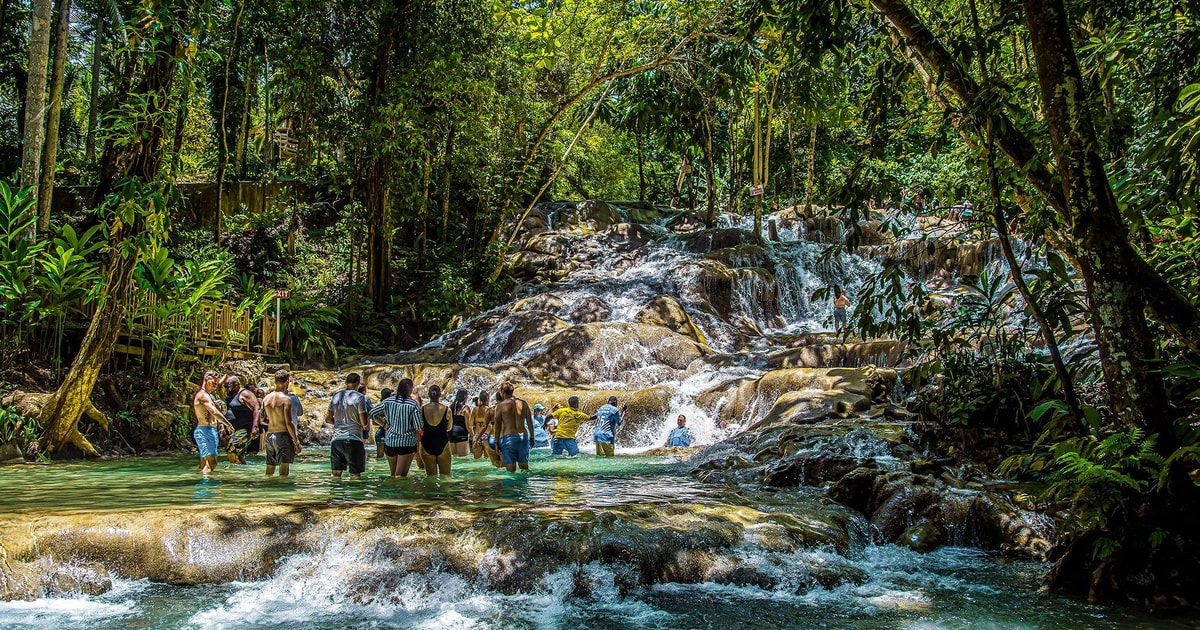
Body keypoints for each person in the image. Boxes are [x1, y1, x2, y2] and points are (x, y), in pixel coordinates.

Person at [370, 378, 423, 478]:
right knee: (400, 476)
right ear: (410, 389)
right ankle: (400, 493)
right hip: (406, 443)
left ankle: (390, 492)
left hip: (390, 442)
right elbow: (418, 426)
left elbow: (372, 413)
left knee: (393, 474)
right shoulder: (413, 404)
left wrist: (384, 425)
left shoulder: (388, 401)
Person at [324, 373, 371, 479]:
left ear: (346, 382)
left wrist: (339, 423)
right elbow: (363, 422)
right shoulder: (359, 397)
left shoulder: (336, 396)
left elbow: (327, 418)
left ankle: (336, 495)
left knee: (336, 475)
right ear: (358, 383)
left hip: (336, 440)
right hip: (353, 439)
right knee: (355, 475)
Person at [261, 370, 302, 477]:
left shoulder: (266, 398)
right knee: (284, 468)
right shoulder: (286, 399)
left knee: (270, 467)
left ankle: (266, 489)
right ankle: (283, 491)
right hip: (283, 436)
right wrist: (296, 441)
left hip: (269, 436)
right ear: (287, 382)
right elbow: (288, 422)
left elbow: (262, 419)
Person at [193, 371, 232, 475]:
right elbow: (214, 412)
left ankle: (200, 488)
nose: (215, 386)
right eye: (213, 382)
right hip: (205, 431)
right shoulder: (203, 395)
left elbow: (217, 412)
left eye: (217, 383)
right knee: (212, 463)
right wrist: (228, 424)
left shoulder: (209, 396)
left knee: (203, 464)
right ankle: (207, 489)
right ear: (206, 379)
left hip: (209, 430)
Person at [493, 382, 535, 472]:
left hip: (508, 438)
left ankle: (512, 486)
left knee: (511, 470)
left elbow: (497, 426)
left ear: (502, 392)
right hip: (523, 437)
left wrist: (496, 442)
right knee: (525, 468)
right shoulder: (523, 403)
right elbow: (530, 422)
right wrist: (532, 437)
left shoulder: (500, 406)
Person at [223, 376, 260, 464]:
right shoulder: (230, 396)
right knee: (239, 455)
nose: (226, 389)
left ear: (236, 384)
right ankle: (242, 472)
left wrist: (255, 426)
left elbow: (256, 408)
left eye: (228, 386)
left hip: (245, 428)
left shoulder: (245, 394)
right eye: (225, 386)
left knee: (231, 450)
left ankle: (236, 471)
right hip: (233, 430)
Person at [419, 385, 453, 477]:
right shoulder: (447, 410)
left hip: (426, 443)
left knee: (431, 477)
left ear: (428, 395)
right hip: (442, 443)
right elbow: (449, 428)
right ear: (440, 395)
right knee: (445, 476)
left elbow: (421, 428)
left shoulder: (422, 409)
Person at [469, 391, 493, 460]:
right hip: (487, 435)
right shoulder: (489, 410)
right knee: (487, 460)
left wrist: (473, 437)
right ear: (487, 399)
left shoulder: (475, 409)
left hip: (477, 435)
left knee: (476, 459)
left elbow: (470, 425)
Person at [448, 388, 471, 458]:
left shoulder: (450, 407)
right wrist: (473, 437)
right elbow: (468, 426)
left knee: (453, 459)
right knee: (462, 459)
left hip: (450, 434)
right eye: (467, 395)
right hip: (461, 434)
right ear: (464, 396)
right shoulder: (465, 408)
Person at [373, 387, 393, 458]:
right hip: (390, 432)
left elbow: (373, 415)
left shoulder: (380, 405)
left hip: (380, 432)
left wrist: (383, 424)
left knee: (380, 456)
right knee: (391, 456)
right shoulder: (390, 406)